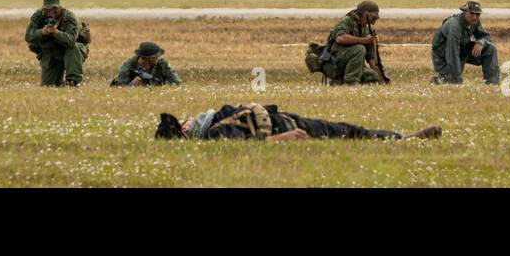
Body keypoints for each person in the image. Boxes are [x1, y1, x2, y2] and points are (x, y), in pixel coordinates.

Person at [155, 103, 441, 142]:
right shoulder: (215, 135)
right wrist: (286, 137)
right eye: (183, 122)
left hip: (286, 118)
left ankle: (400, 137)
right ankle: (404, 140)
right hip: (287, 127)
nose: (188, 118)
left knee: (345, 128)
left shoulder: (213, 120)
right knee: (344, 134)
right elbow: (253, 143)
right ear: (184, 130)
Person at [24, 0, 88, 86]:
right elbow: (28, 36)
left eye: (54, 9)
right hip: (51, 53)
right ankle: (60, 83)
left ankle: (72, 81)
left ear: (59, 7)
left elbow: (71, 42)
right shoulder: (38, 16)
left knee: (74, 48)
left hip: (71, 51)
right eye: (48, 9)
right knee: (48, 86)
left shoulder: (69, 17)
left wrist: (56, 33)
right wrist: (42, 32)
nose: (51, 12)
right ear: (44, 9)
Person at [431, 0, 500, 84]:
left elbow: (485, 36)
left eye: (477, 14)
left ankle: (493, 83)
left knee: (490, 49)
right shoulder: (454, 26)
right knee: (450, 81)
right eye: (471, 13)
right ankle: (439, 80)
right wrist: (458, 80)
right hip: (443, 57)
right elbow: (452, 54)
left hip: (461, 51)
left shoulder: (474, 21)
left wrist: (481, 43)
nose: (475, 17)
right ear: (465, 12)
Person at [324, 0, 386, 85]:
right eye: (374, 15)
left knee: (373, 77)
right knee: (359, 49)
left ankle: (339, 80)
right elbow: (340, 38)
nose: (377, 17)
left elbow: (371, 57)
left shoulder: (366, 29)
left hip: (350, 64)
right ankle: (351, 81)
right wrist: (364, 40)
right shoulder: (347, 21)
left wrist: (381, 76)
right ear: (365, 14)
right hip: (333, 62)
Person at [110, 41, 182, 86]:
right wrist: (131, 85)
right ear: (148, 58)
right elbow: (120, 87)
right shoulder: (128, 66)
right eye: (155, 57)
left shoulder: (162, 64)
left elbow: (177, 82)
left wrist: (164, 85)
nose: (158, 58)